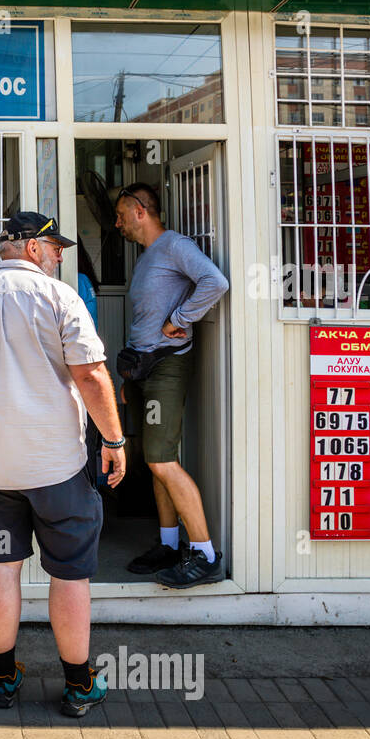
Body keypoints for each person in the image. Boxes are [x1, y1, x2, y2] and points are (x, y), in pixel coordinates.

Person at [0, 212, 126, 718]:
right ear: (32, 248)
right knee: (70, 574)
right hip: (55, 466)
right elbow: (91, 375)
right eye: (55, 246)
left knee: (1, 566)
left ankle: (3, 679)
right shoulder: (59, 297)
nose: (61, 255)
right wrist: (114, 440)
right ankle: (79, 685)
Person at [114, 182, 230, 588]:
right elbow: (145, 319)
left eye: (121, 215)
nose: (118, 224)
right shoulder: (147, 257)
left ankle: (205, 556)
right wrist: (130, 377)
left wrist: (180, 319)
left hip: (167, 366)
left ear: (140, 210)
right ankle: (168, 545)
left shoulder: (175, 245)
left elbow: (216, 282)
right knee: (154, 460)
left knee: (163, 460)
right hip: (143, 370)